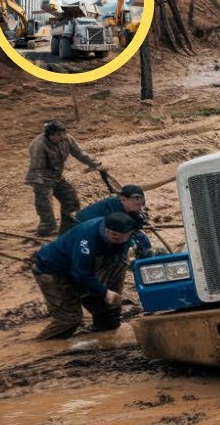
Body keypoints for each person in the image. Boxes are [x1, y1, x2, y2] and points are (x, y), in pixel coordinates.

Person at [31, 212, 134, 340]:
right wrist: (104, 292)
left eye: (119, 237)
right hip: (51, 269)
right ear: (105, 228)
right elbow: (81, 274)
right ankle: (41, 348)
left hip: (76, 269)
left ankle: (102, 339)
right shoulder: (88, 239)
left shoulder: (126, 237)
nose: (112, 237)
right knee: (69, 319)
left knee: (106, 311)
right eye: (111, 234)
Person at [25, 120, 106, 236]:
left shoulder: (67, 139)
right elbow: (37, 167)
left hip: (57, 177)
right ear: (51, 135)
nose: (62, 137)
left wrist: (95, 164)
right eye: (59, 134)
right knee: (45, 204)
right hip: (41, 178)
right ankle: (47, 228)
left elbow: (79, 153)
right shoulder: (38, 145)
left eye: (63, 133)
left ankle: (68, 228)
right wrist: (40, 186)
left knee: (71, 199)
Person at [76, 184, 153, 258]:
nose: (140, 207)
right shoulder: (115, 211)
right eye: (136, 204)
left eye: (141, 204)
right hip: (84, 236)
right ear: (123, 199)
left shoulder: (124, 205)